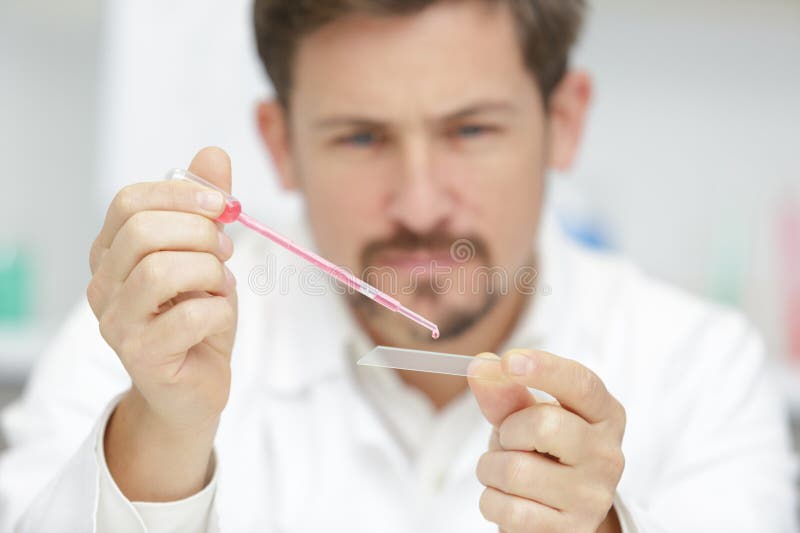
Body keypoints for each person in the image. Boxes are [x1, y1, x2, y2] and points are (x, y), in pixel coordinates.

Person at [1, 1, 797, 531]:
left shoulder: (701, 369)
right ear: (281, 144)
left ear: (563, 120)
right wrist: (159, 436)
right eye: (360, 137)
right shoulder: (150, 340)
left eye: (472, 131)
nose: (420, 204)